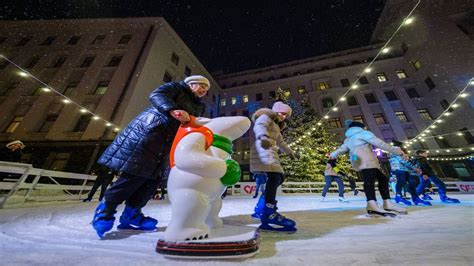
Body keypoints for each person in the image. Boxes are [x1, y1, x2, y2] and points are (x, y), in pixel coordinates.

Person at [91, 75, 208, 238]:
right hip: (149, 134)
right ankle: (105, 211)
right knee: (134, 175)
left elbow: (190, 123)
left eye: (206, 89)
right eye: (201, 86)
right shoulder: (176, 88)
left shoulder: (198, 105)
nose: (204, 90)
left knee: (152, 180)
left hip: (167, 142)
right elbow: (156, 95)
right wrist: (172, 109)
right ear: (191, 83)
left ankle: (132, 215)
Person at [329, 120, 408, 217]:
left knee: (382, 179)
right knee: (370, 182)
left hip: (359, 162)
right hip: (368, 161)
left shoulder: (348, 139)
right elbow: (381, 144)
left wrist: (333, 155)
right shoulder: (364, 134)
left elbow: (341, 149)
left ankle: (387, 203)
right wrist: (398, 152)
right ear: (361, 127)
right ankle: (372, 204)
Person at [249, 101, 298, 232]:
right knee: (275, 177)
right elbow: (260, 125)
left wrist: (290, 153)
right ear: (275, 111)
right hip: (263, 147)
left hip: (270, 150)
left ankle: (261, 208)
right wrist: (263, 136)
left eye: (286, 115)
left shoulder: (276, 125)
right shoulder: (266, 117)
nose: (284, 117)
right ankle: (268, 213)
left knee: (278, 178)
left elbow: (281, 142)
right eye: (282, 113)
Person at [389, 141, 430, 206]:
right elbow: (403, 161)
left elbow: (405, 161)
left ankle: (415, 197)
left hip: (404, 169)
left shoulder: (399, 152)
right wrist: (415, 168)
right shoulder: (396, 151)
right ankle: (398, 197)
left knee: (412, 182)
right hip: (399, 169)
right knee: (401, 182)